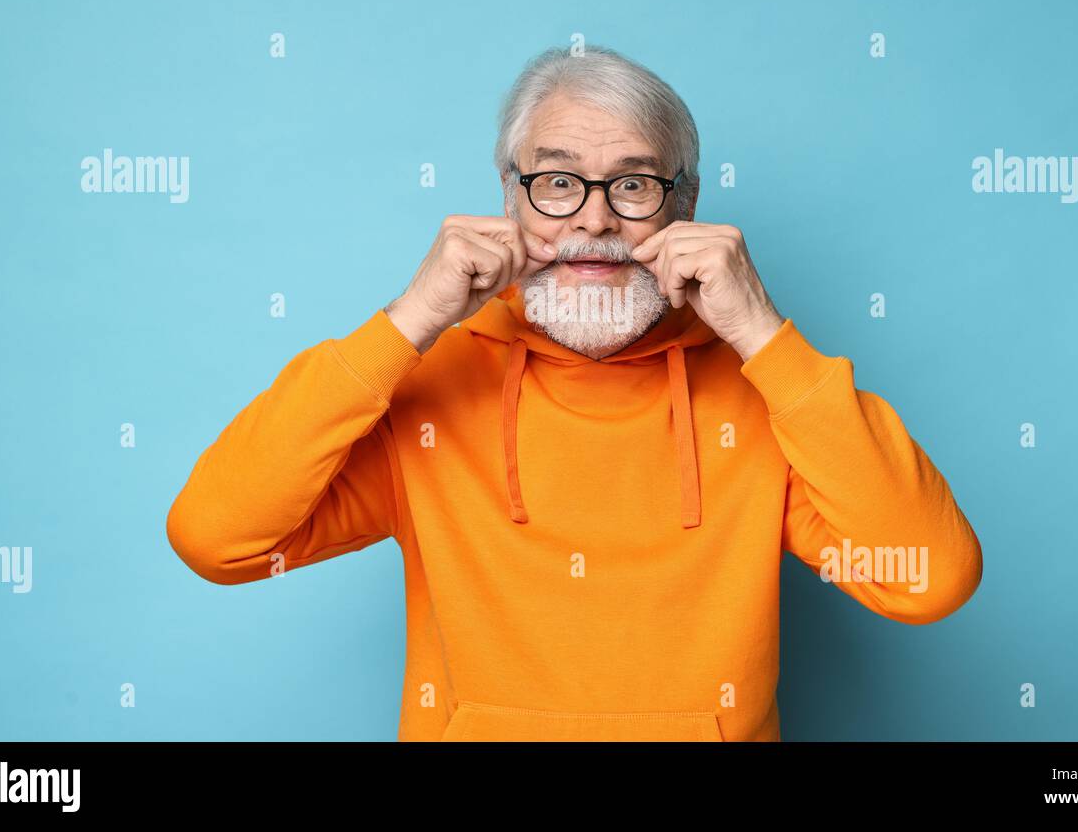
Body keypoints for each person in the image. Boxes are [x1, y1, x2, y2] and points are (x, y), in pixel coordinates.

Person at [165, 44, 983, 741]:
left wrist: (765, 335)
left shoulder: (765, 397)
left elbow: (931, 579)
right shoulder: (429, 389)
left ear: (686, 207)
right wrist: (411, 320)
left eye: (632, 186)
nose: (592, 222)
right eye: (557, 183)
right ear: (510, 197)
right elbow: (217, 537)